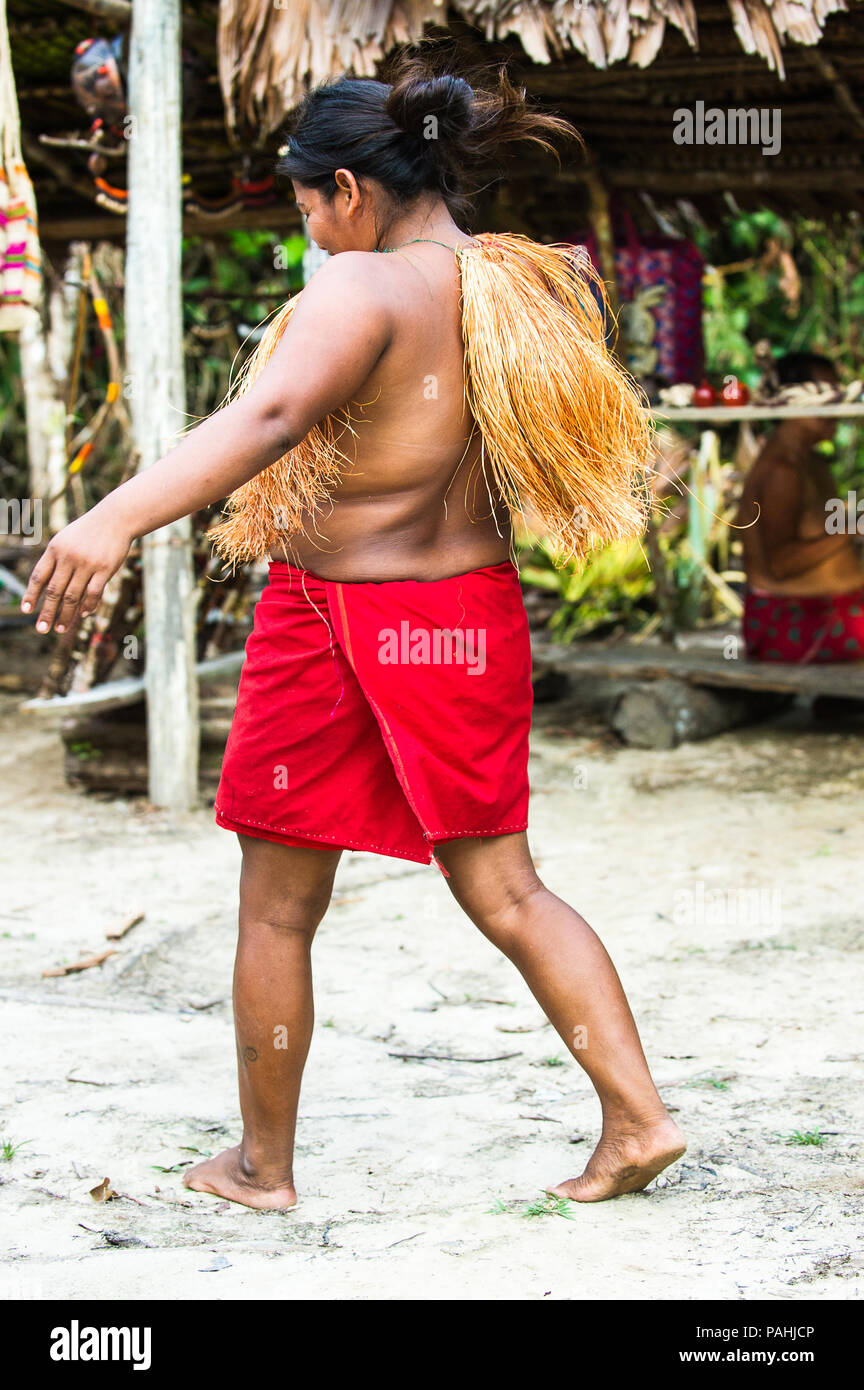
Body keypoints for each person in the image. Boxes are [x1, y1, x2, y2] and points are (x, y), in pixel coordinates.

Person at [22, 53, 685, 1209]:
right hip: (467, 614)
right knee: (512, 888)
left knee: (279, 902)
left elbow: (273, 411)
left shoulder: (358, 290)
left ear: (348, 190)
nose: (316, 236)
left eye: (310, 212)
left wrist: (110, 519)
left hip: (335, 616)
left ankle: (260, 1167)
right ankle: (638, 1117)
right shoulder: (523, 288)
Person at [737, 353, 864, 662]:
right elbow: (780, 564)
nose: (837, 407)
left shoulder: (812, 463)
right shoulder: (783, 471)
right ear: (793, 404)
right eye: (826, 396)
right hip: (789, 622)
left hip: (832, 610)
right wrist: (852, 530)